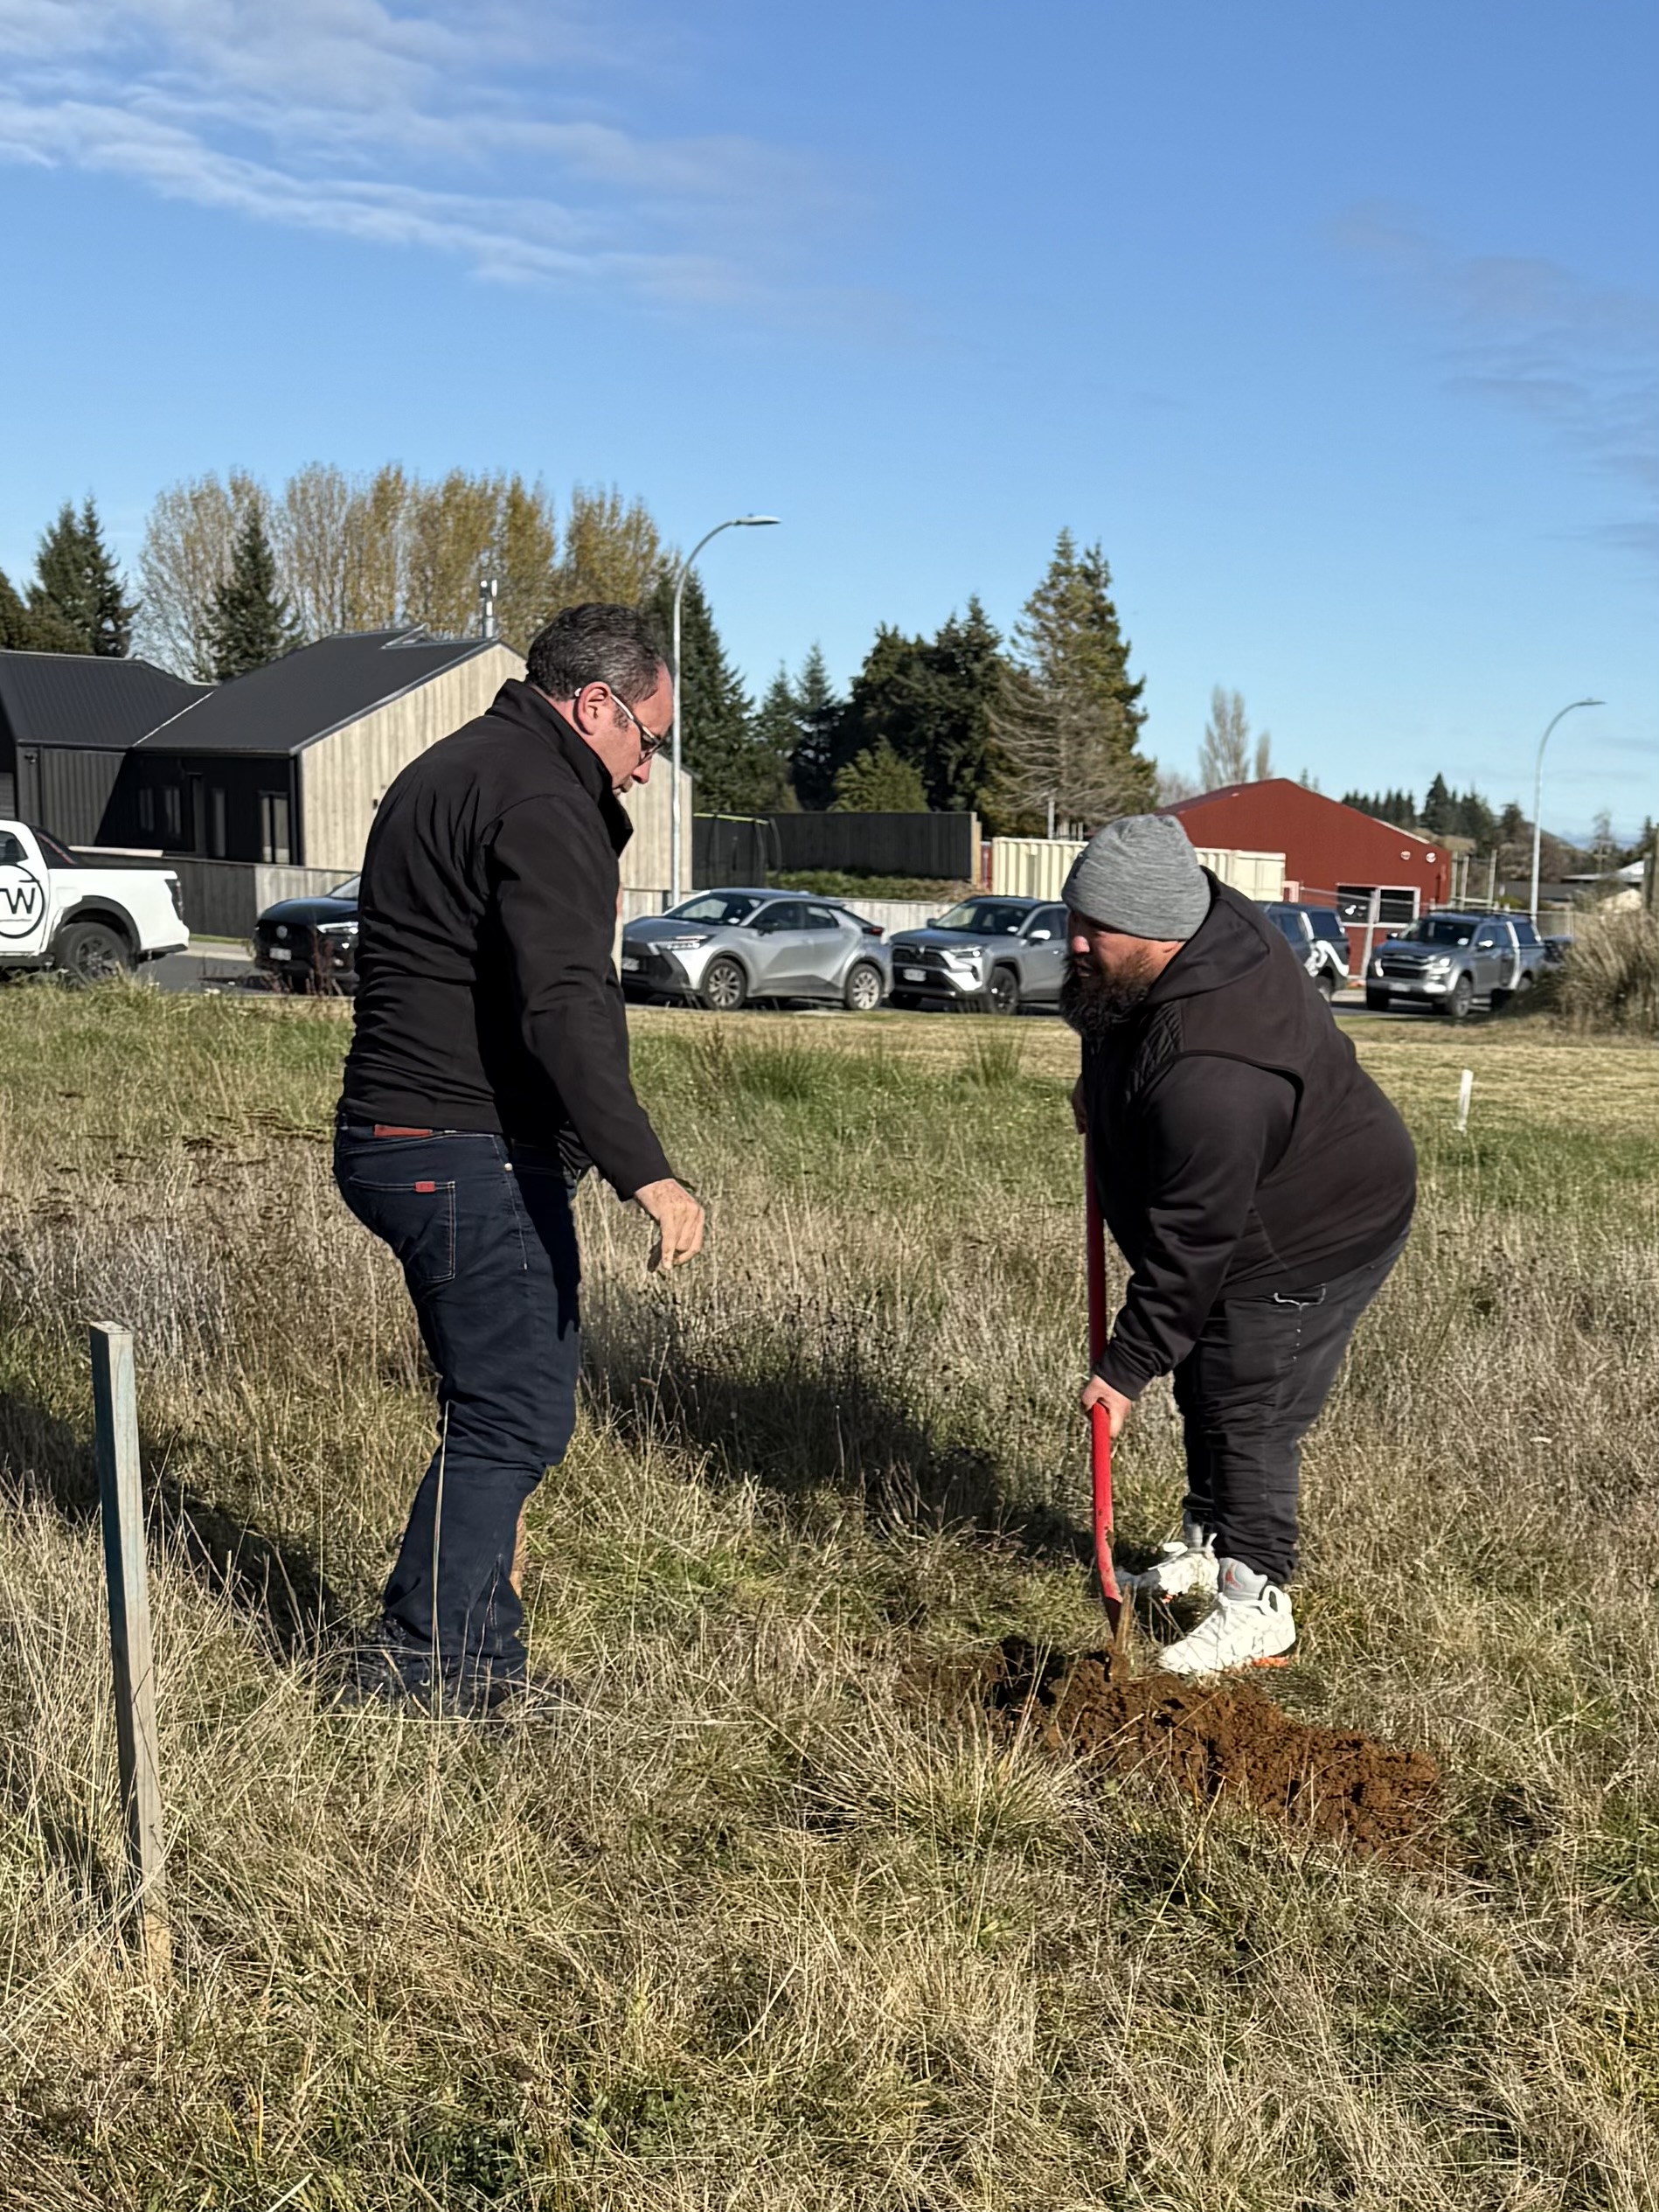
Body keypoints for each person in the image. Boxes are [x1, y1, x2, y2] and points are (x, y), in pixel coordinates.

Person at [333, 603, 705, 1714]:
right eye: (649, 737)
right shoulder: (545, 798)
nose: (646, 768)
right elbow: (563, 1004)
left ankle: (471, 1644)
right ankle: (433, 1669)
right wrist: (648, 1170)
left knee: (499, 1410)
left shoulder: (453, 766)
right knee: (513, 1415)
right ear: (595, 706)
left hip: (403, 1134)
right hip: (462, 1144)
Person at [1063, 815, 1415, 1675]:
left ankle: (1253, 1599)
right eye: (1070, 914)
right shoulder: (1194, 925)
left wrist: (1122, 1366)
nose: (1070, 941)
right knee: (1204, 1374)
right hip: (1250, 1199)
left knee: (1243, 1401)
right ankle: (1204, 1538)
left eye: (1093, 928)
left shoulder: (1215, 1071)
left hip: (1310, 1230)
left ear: (1160, 933)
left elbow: (1193, 1250)